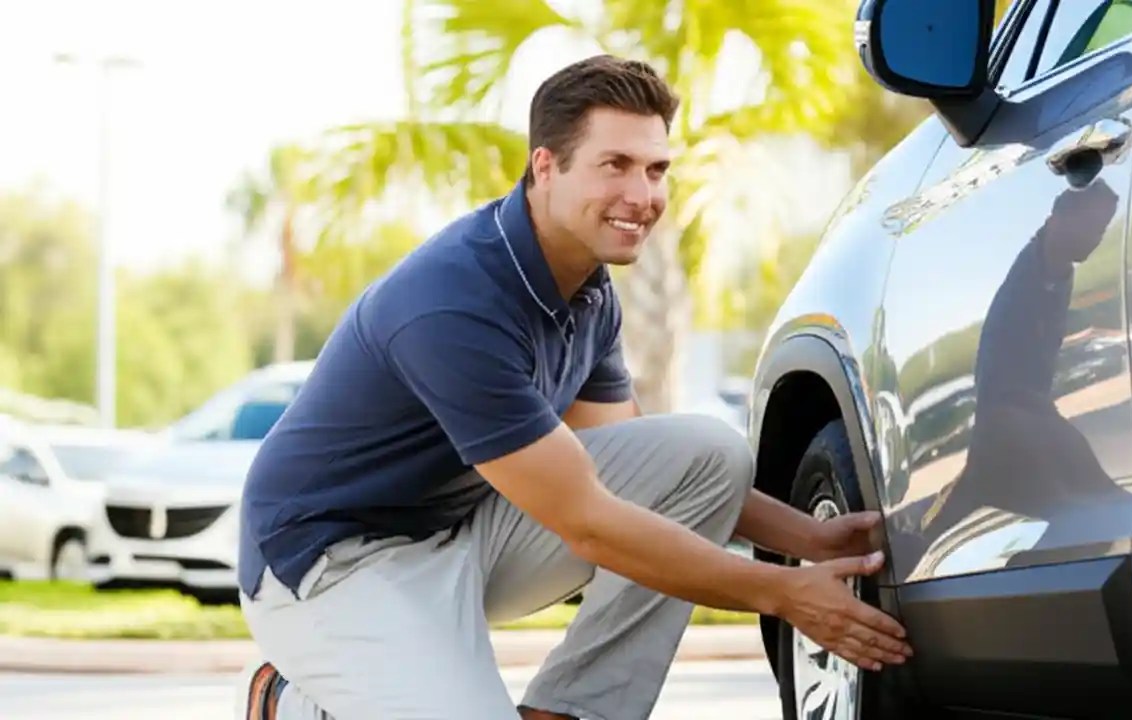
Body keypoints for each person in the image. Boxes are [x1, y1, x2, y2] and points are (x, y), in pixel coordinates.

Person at [235, 54, 911, 720]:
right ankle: (292, 704)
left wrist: (811, 539)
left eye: (655, 170)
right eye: (613, 165)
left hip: (460, 533)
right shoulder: (453, 304)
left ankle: (571, 711)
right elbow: (590, 525)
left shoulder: (587, 289)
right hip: (329, 563)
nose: (642, 196)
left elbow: (640, 471)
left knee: (706, 455)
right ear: (545, 168)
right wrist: (784, 591)